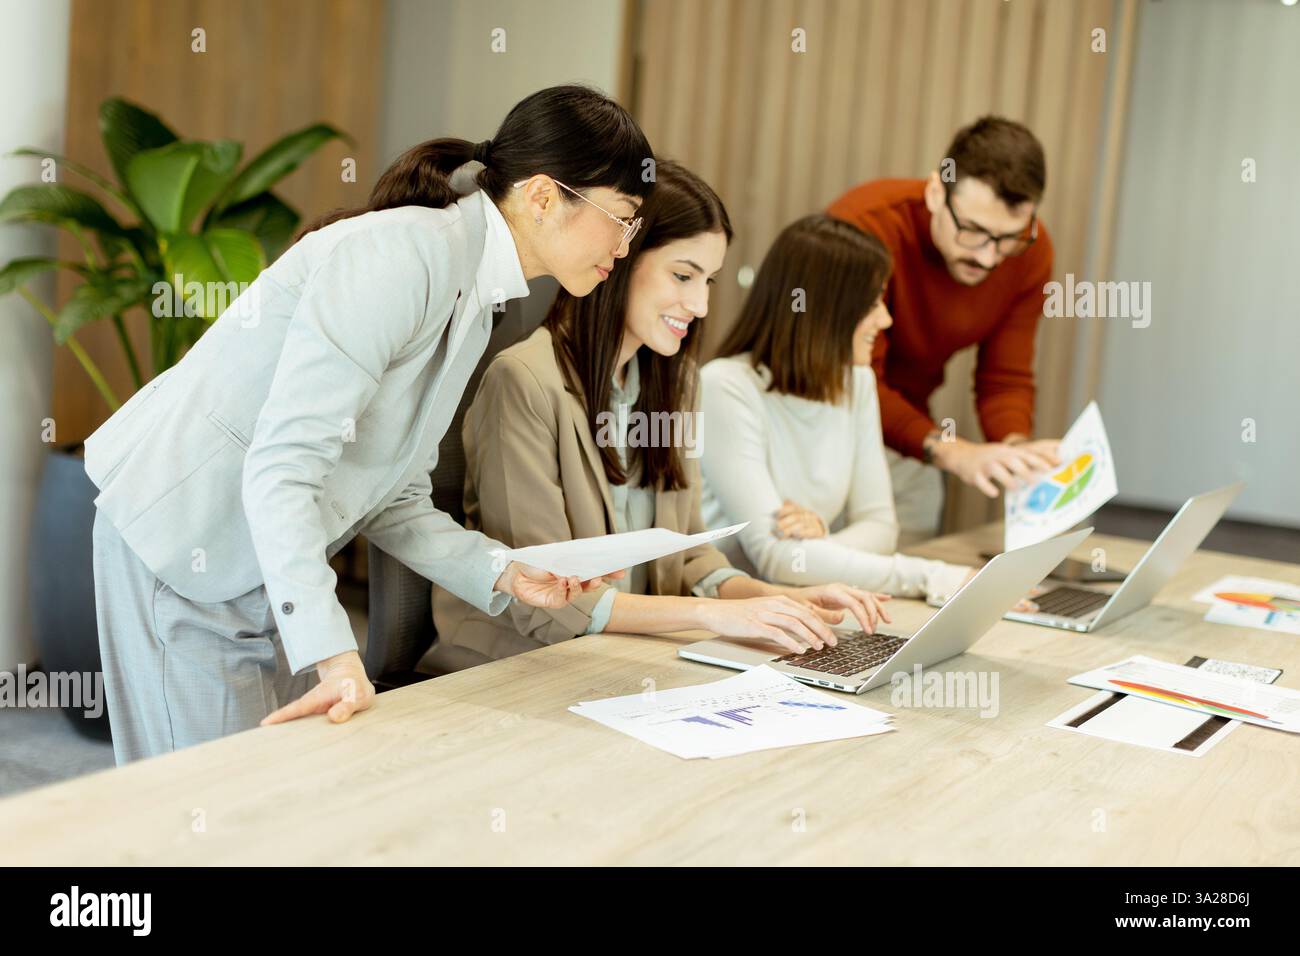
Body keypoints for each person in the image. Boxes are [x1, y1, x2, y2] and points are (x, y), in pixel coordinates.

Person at [86, 84, 651, 763]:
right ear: (541, 196)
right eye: (623, 217)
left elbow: (397, 496)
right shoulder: (401, 258)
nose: (625, 244)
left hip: (267, 560)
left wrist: (503, 571)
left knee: (259, 799)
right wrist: (331, 650)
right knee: (198, 810)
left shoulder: (476, 292)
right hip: (184, 535)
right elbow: (283, 466)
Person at [431, 161, 891, 666]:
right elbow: (544, 603)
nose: (699, 305)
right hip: (521, 665)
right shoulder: (523, 380)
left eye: (709, 281)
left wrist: (775, 599)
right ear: (621, 258)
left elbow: (689, 556)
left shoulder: (674, 382)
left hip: (628, 660)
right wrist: (708, 617)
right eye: (682, 275)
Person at [699, 214, 974, 603]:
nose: (886, 318)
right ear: (827, 309)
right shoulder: (725, 386)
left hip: (804, 610)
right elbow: (775, 558)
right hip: (724, 617)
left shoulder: (855, 383)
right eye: (874, 301)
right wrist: (931, 577)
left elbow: (881, 527)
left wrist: (820, 541)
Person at [827, 116, 1062, 544]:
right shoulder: (867, 223)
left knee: (911, 570)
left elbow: (1004, 378)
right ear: (937, 192)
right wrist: (954, 452)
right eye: (973, 231)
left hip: (909, 429)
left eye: (1008, 238)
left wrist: (1015, 447)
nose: (989, 258)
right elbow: (852, 378)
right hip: (822, 420)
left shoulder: (1030, 250)